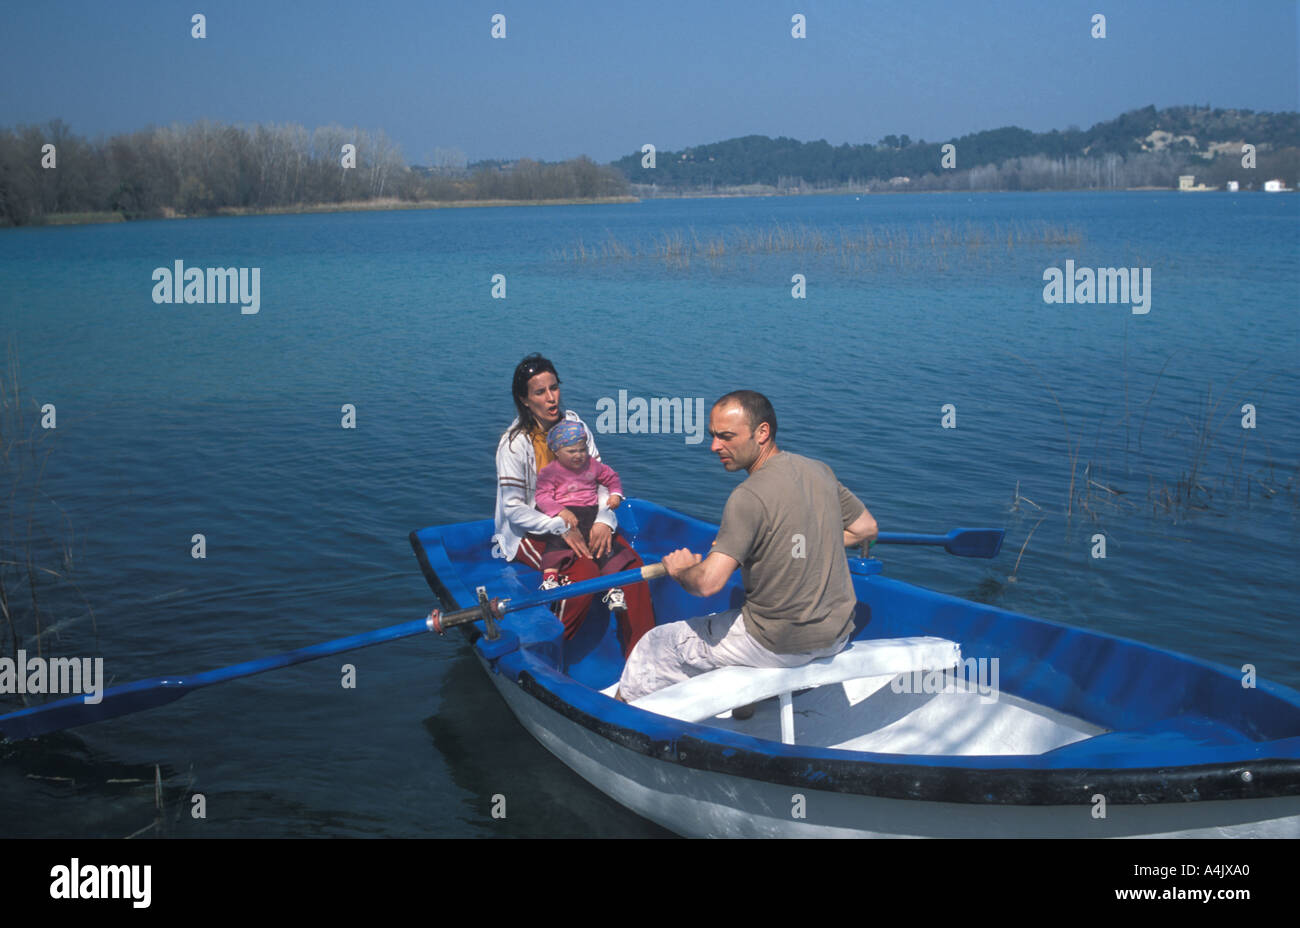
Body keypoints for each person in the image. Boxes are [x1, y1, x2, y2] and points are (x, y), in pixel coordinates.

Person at [616, 390, 878, 704]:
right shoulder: (818, 470)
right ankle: (744, 708)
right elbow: (866, 529)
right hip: (836, 634)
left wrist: (681, 570)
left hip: (777, 643)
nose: (714, 446)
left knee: (657, 644)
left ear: (762, 432)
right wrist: (789, 542)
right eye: (713, 436)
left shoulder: (748, 497)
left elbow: (708, 584)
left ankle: (616, 717)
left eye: (726, 437)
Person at [494, 354, 655, 656]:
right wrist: (560, 525)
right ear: (525, 400)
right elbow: (514, 508)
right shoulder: (514, 445)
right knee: (582, 576)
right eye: (540, 392)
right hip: (532, 531)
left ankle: (644, 660)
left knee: (632, 570)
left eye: (554, 388)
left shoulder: (575, 427)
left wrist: (604, 521)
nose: (551, 398)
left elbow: (602, 481)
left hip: (584, 518)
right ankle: (543, 653)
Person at [534, 420, 628, 593]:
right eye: (571, 451)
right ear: (556, 452)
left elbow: (611, 478)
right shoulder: (550, 472)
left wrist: (615, 493)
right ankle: (550, 578)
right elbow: (542, 496)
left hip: (589, 512)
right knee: (557, 541)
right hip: (566, 511)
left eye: (582, 449)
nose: (578, 455)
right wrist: (560, 511)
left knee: (604, 547)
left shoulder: (593, 465)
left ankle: (613, 588)